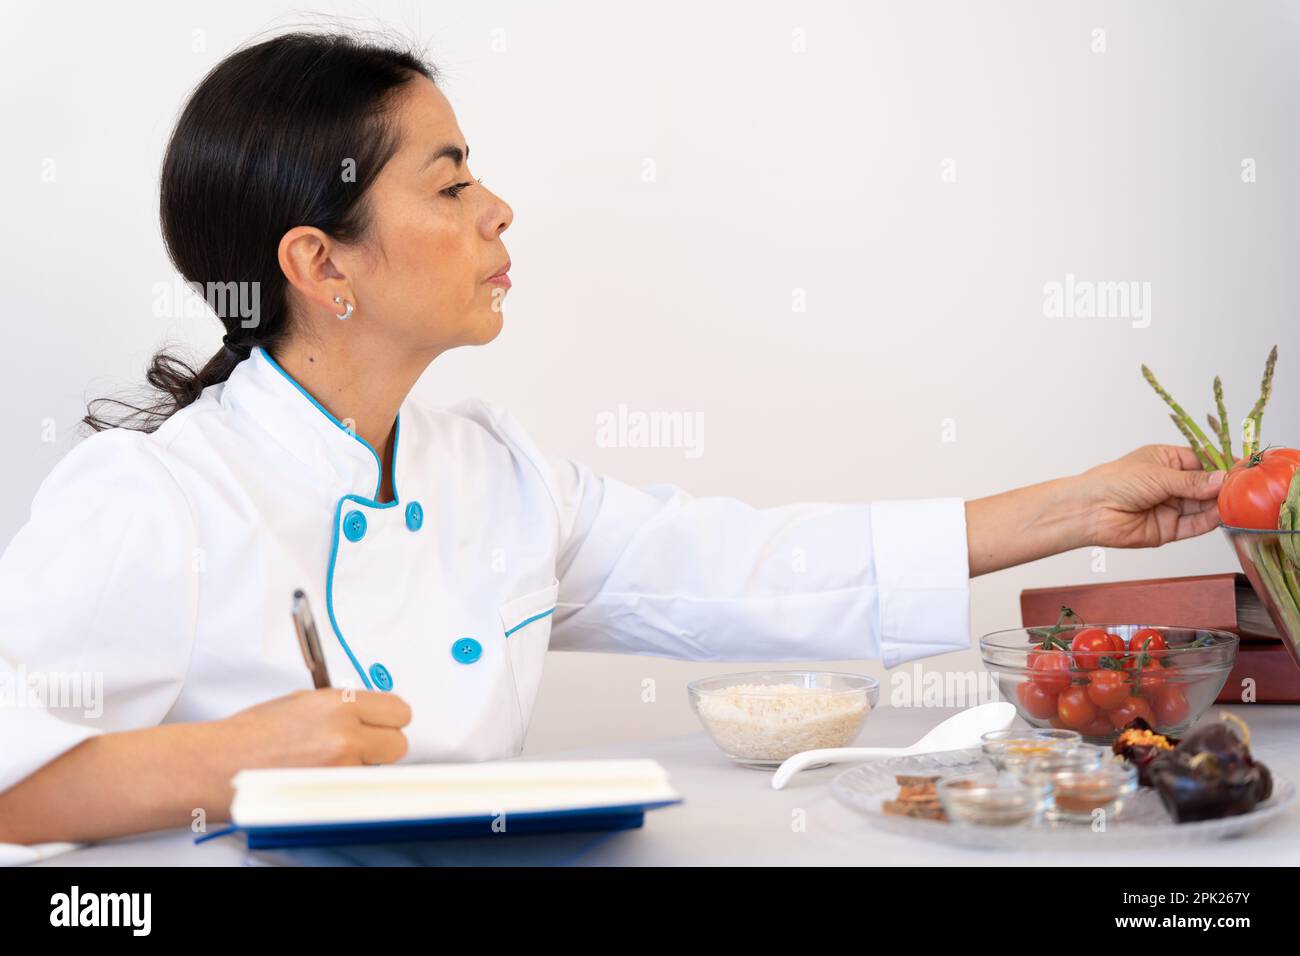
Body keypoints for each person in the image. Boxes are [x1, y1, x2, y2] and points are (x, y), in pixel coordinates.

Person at [0, 31, 1224, 846]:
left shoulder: (489, 468)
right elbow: (12, 785)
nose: (498, 207)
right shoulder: (149, 494)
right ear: (321, 263)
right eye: (448, 183)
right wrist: (232, 758)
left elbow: (737, 564)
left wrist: (1077, 506)